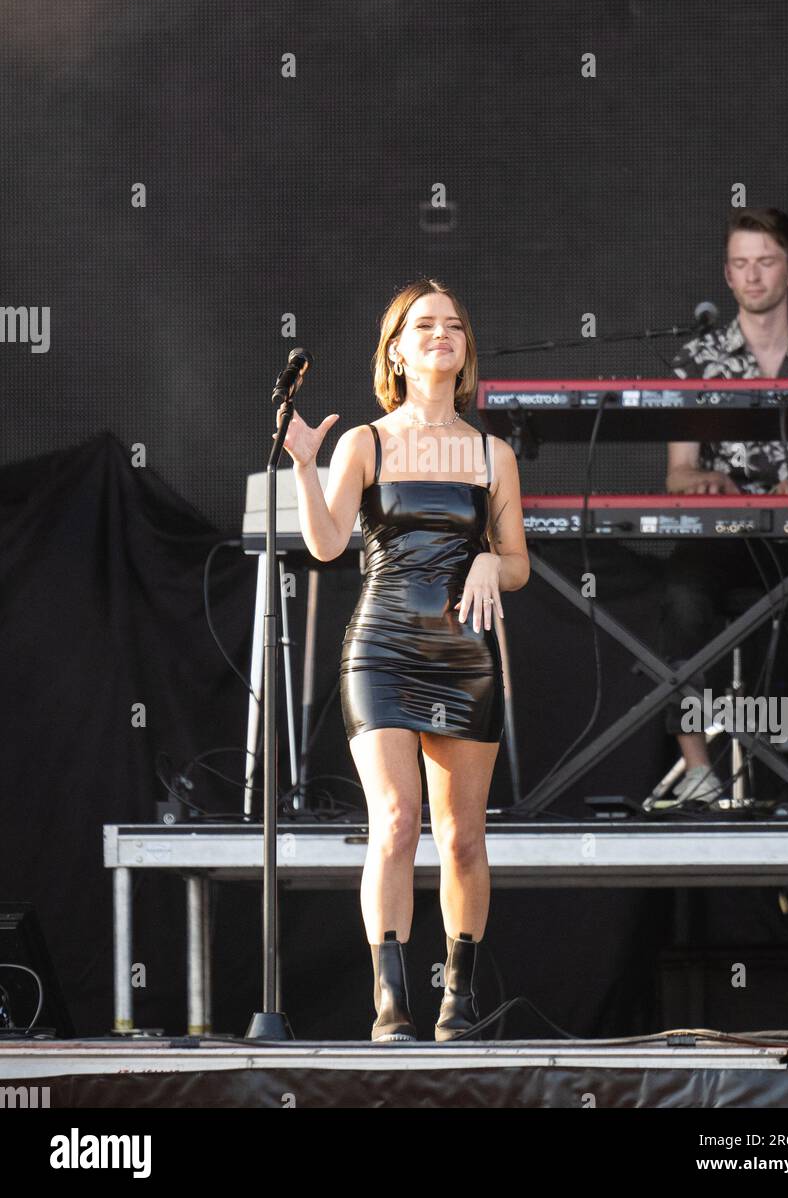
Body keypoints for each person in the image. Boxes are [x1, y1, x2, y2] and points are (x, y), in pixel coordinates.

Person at [276, 279, 529, 1041]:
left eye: (453, 324)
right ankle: (389, 1001)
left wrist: (490, 564)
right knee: (394, 819)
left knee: (461, 837)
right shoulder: (367, 441)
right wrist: (302, 466)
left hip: (463, 652)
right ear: (396, 348)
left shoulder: (492, 452)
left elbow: (517, 561)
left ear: (464, 350)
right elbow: (324, 545)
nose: (440, 334)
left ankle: (459, 995)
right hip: (381, 646)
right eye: (424, 325)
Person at [661, 208, 788, 813]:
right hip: (718, 539)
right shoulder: (696, 361)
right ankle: (698, 771)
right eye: (741, 265)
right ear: (727, 275)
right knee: (680, 603)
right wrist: (708, 480)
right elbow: (677, 474)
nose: (753, 277)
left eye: (766, 263)